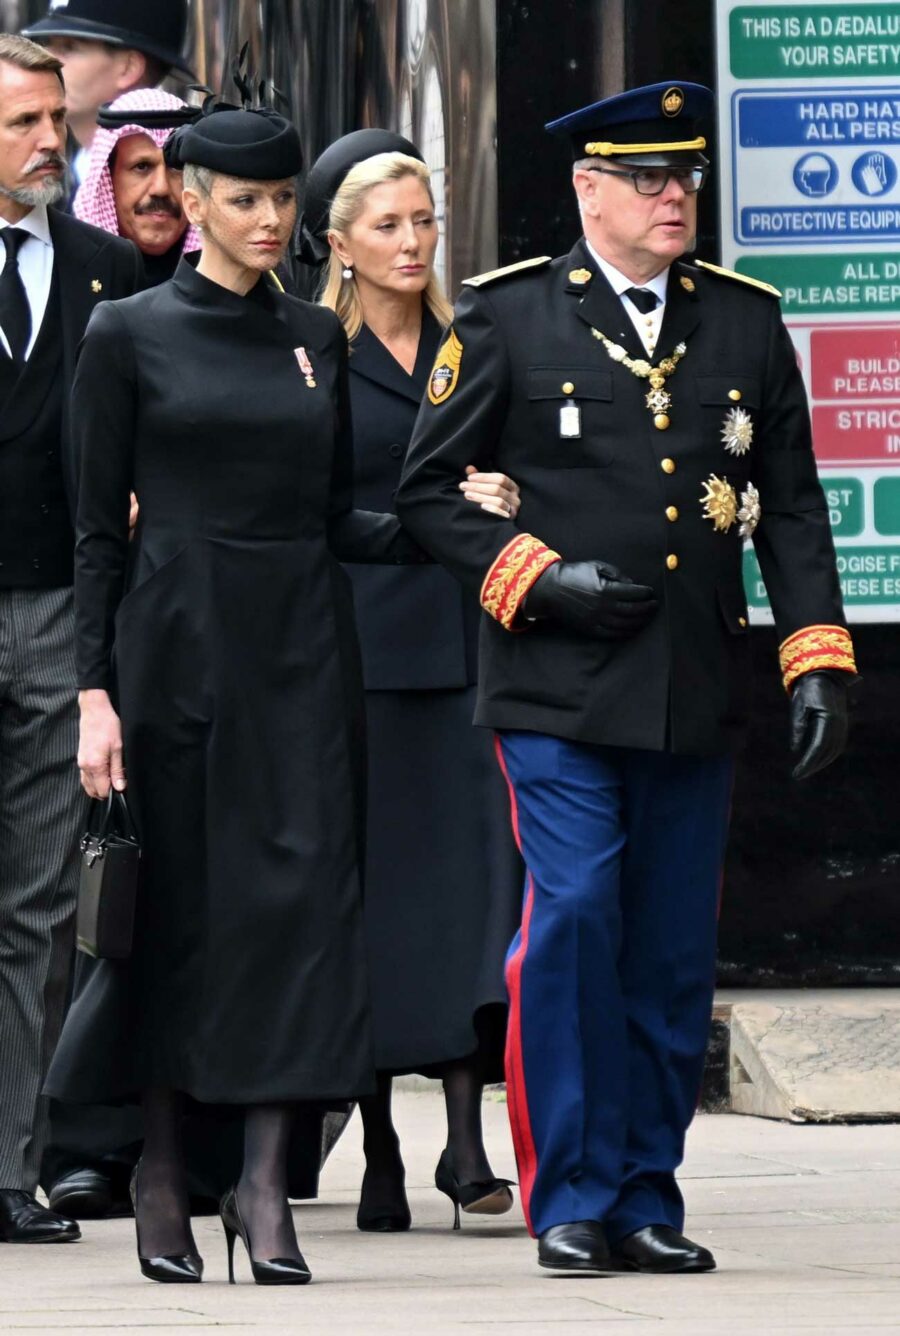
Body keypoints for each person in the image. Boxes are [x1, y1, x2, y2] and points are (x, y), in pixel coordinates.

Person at [396, 80, 857, 1275]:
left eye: (685, 176)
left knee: (667, 950)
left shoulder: (744, 321)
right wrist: (541, 580)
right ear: (586, 188)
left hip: (692, 678)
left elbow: (791, 506)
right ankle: (570, 1193)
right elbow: (429, 494)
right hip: (555, 684)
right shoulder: (506, 315)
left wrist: (815, 655)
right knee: (576, 920)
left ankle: (647, 1189)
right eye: (647, 178)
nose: (673, 197)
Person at [298, 129, 522, 1232]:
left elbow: (524, 457)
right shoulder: (311, 350)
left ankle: (467, 1138)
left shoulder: (472, 338)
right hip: (363, 647)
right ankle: (381, 1138)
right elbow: (305, 500)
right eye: (386, 225)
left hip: (470, 644)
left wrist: (508, 496)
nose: (411, 241)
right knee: (377, 899)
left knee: (474, 895)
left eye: (424, 221)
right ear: (340, 243)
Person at [0, 33, 141, 1247]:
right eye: (22, 123)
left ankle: (10, 1167)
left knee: (40, 905)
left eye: (57, 117)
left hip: (57, 612)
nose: (52, 141)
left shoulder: (106, 271)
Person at [22, 0, 192, 188]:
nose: (44, 60)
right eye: (46, 44)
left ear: (128, 68)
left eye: (69, 47)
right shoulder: (77, 171)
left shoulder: (165, 190)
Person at [72, 88, 201, 286]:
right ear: (108, 179)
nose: (161, 188)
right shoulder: (67, 270)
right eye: (142, 167)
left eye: (177, 167)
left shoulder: (225, 281)